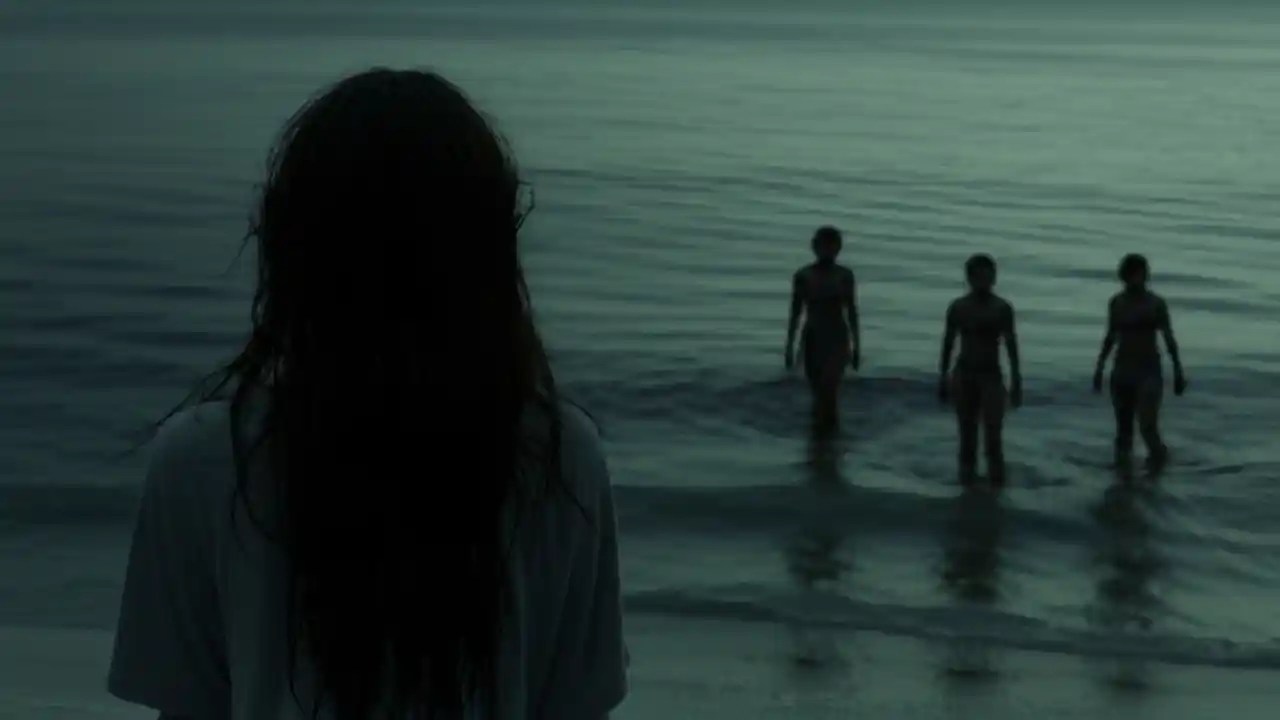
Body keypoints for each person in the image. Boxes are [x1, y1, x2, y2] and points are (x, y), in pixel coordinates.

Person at [107, 69, 628, 720]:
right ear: (487, 251)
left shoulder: (204, 460)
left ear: (292, 245)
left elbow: (188, 710)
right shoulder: (558, 457)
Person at [1093, 253, 1186, 472]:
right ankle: (1123, 479)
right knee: (1123, 431)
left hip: (1148, 371)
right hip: (1122, 369)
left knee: (1147, 428)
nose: (1135, 280)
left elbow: (1169, 338)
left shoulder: (1156, 304)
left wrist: (1178, 370)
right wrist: (1099, 367)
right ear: (1124, 277)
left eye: (1140, 274)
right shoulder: (1117, 302)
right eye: (1131, 275)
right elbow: (1111, 336)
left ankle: (1160, 472)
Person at [938, 254, 1022, 488]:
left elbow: (1012, 346)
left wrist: (1016, 382)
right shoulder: (958, 307)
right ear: (969, 278)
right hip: (964, 374)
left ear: (994, 278)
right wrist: (942, 378)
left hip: (991, 376)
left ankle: (997, 488)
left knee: (993, 438)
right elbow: (948, 343)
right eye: (979, 277)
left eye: (989, 276)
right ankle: (967, 488)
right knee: (967, 437)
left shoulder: (1002, 308)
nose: (984, 282)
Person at [785, 226, 861, 431]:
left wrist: (857, 348)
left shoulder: (844, 276)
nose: (828, 251)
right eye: (824, 247)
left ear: (838, 249)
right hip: (812, 338)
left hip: (837, 338)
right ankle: (820, 439)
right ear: (815, 247)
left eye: (832, 247)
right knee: (817, 393)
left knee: (830, 390)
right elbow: (795, 312)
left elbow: (852, 311)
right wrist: (789, 348)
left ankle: (829, 437)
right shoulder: (804, 275)